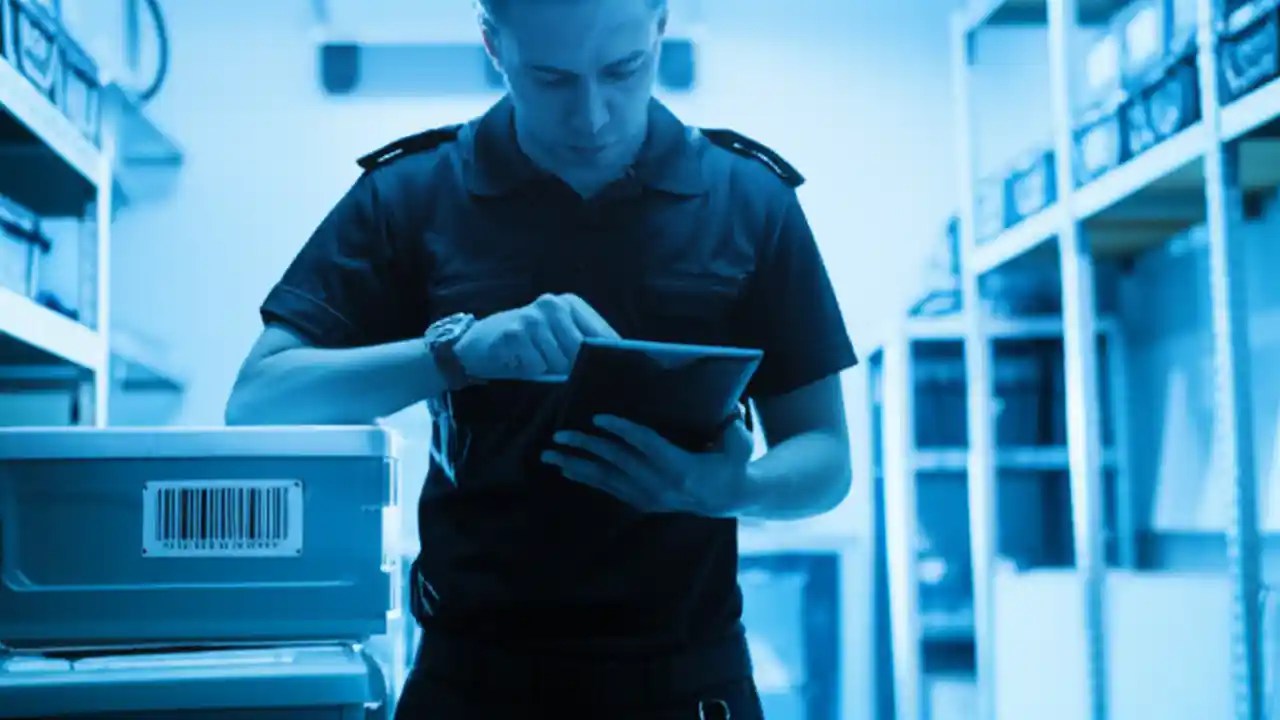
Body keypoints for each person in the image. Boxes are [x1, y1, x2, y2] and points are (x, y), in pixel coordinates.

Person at [225, 0, 858, 716]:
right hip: (472, 683)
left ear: (661, 28)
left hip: (685, 685)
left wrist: (728, 489)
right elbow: (261, 397)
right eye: (552, 78)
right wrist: (457, 356)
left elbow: (826, 456)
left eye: (623, 70)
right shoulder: (413, 193)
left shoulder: (750, 200)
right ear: (493, 44)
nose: (592, 116)